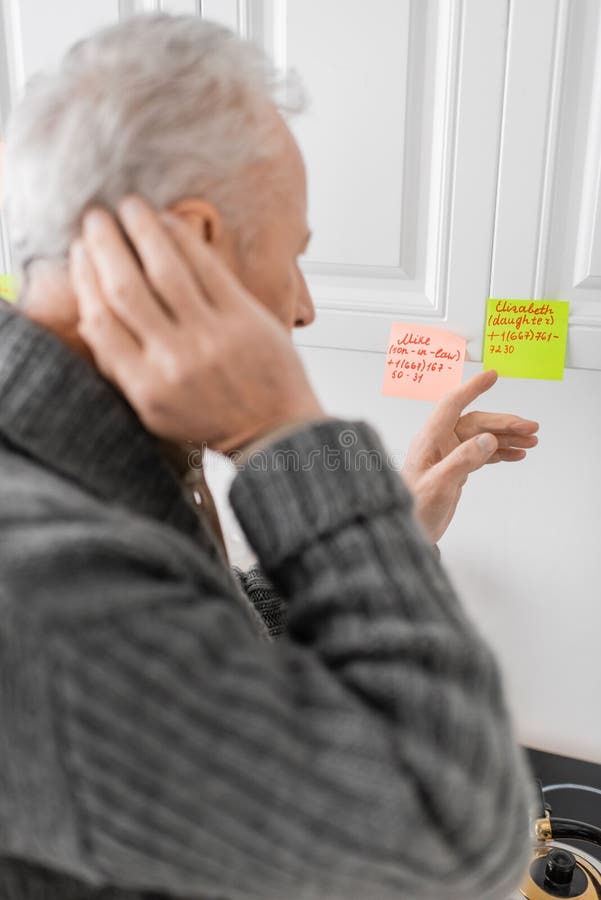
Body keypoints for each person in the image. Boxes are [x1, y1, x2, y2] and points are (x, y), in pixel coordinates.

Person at [0, 14, 538, 900]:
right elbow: (455, 831)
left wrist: (389, 523)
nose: (302, 309)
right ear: (190, 247)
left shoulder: (83, 468)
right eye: (294, 257)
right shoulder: (39, 587)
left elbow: (205, 644)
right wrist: (281, 426)